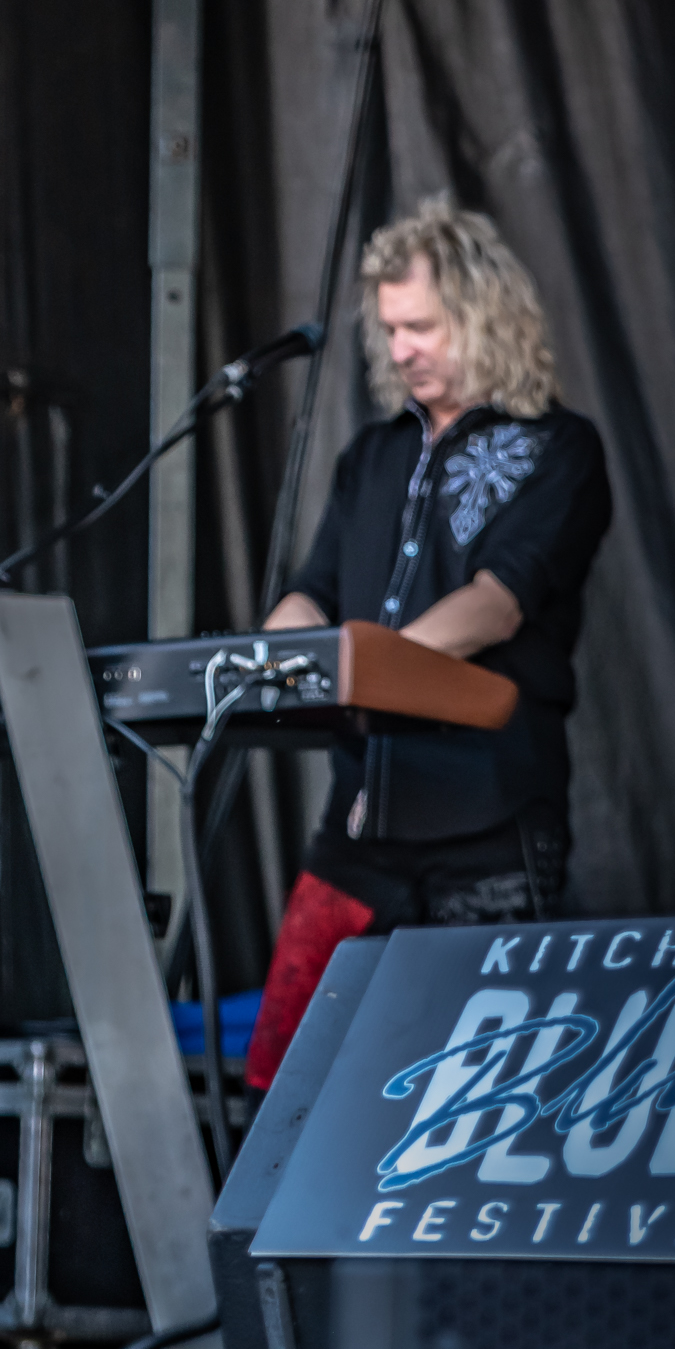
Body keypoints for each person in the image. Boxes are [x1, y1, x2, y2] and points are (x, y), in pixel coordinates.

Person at [244, 195, 611, 1093]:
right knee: (285, 1078)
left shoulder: (556, 448)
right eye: (390, 329)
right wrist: (268, 658)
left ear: (483, 318)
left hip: (487, 823)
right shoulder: (371, 456)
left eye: (422, 327)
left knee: (473, 1095)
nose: (400, 348)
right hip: (359, 823)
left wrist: (371, 667)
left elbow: (496, 603)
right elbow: (311, 591)